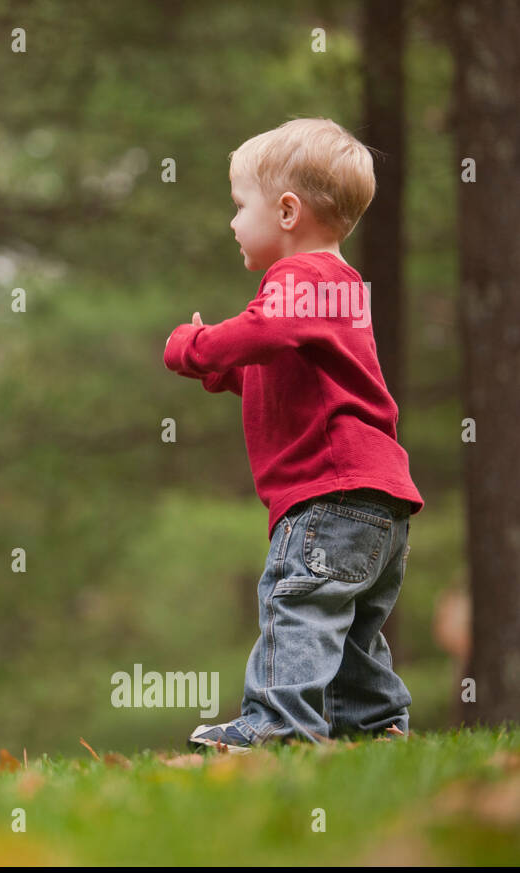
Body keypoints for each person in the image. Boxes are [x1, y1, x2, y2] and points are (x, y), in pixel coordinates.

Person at [163, 118, 423, 752]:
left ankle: (277, 722)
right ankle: (375, 727)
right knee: (352, 626)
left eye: (238, 205)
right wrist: (227, 372)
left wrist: (194, 348)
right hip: (377, 499)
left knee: (298, 606)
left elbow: (267, 333)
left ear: (286, 210)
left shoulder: (300, 279)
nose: (231, 223)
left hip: (327, 495)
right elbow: (294, 372)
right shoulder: (338, 292)